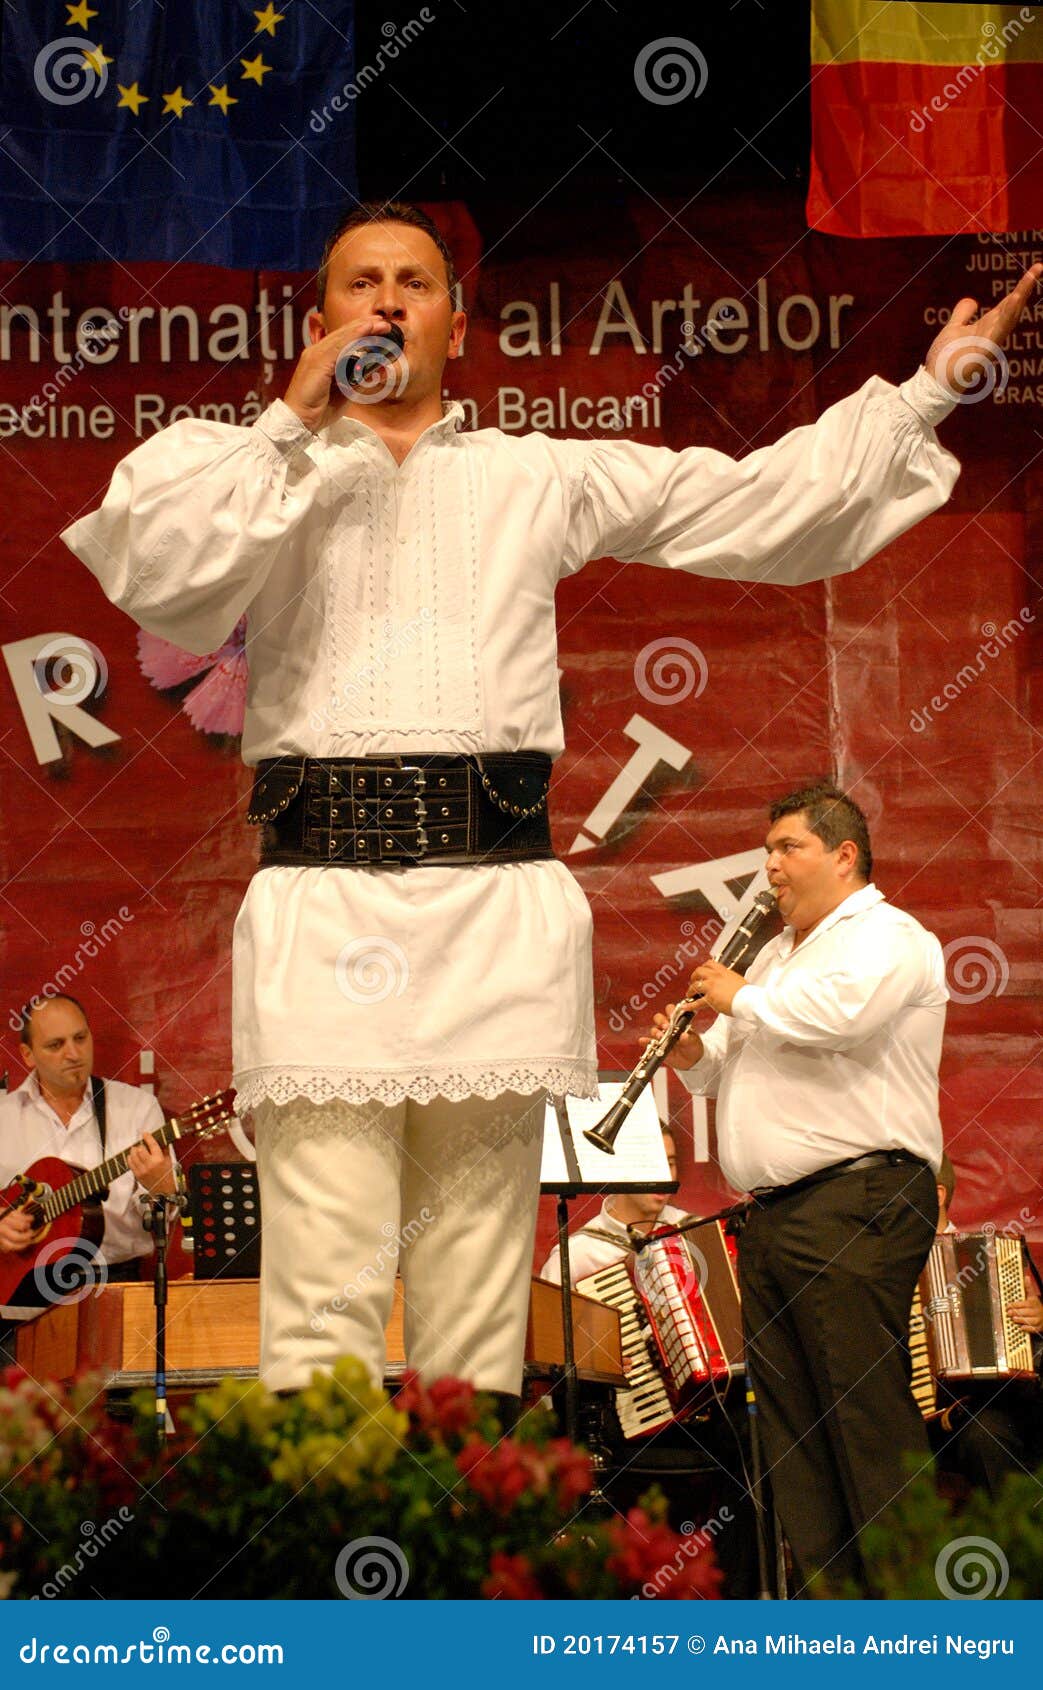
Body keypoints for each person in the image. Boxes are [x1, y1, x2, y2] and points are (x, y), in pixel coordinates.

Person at [60, 198, 1039, 1400]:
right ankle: (331, 1511)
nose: (385, 301)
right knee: (321, 1278)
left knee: (478, 1282)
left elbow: (748, 500)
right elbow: (163, 576)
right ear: (316, 324)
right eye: (359, 283)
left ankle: (470, 1497)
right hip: (324, 907)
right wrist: (288, 421)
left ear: (456, 323)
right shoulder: (254, 468)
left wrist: (924, 393)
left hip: (494, 908)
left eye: (412, 282)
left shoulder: (534, 473)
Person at [657, 783, 947, 1591]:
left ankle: (915, 1621)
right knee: (795, 1434)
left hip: (856, 1201)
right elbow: (741, 1061)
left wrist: (740, 996)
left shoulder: (888, 936)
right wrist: (695, 1058)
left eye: (788, 848)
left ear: (844, 855)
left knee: (860, 1416)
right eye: (767, 851)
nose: (771, 867)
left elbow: (836, 1021)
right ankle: (832, 1617)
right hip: (776, 1215)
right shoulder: (778, 956)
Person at [0, 995, 176, 1368]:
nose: (73, 1053)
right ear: (28, 1055)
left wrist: (162, 1186)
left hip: (114, 1290)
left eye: (80, 1038)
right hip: (19, 1301)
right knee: (23, 1408)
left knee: (119, 1407)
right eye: (56, 1045)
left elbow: (162, 1218)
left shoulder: (135, 1109)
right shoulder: (4, 1117)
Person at [931, 1155, 1043, 1496]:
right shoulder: (886, 1266)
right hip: (934, 1413)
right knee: (986, 1436)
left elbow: (1029, 1336)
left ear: (937, 1194)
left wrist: (1037, 1317)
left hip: (1005, 1402)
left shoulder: (990, 1257)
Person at [540, 1128, 683, 1284]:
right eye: (650, 1164)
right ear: (620, 1167)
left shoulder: (688, 1227)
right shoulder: (573, 1258)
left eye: (669, 1164)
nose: (664, 1176)